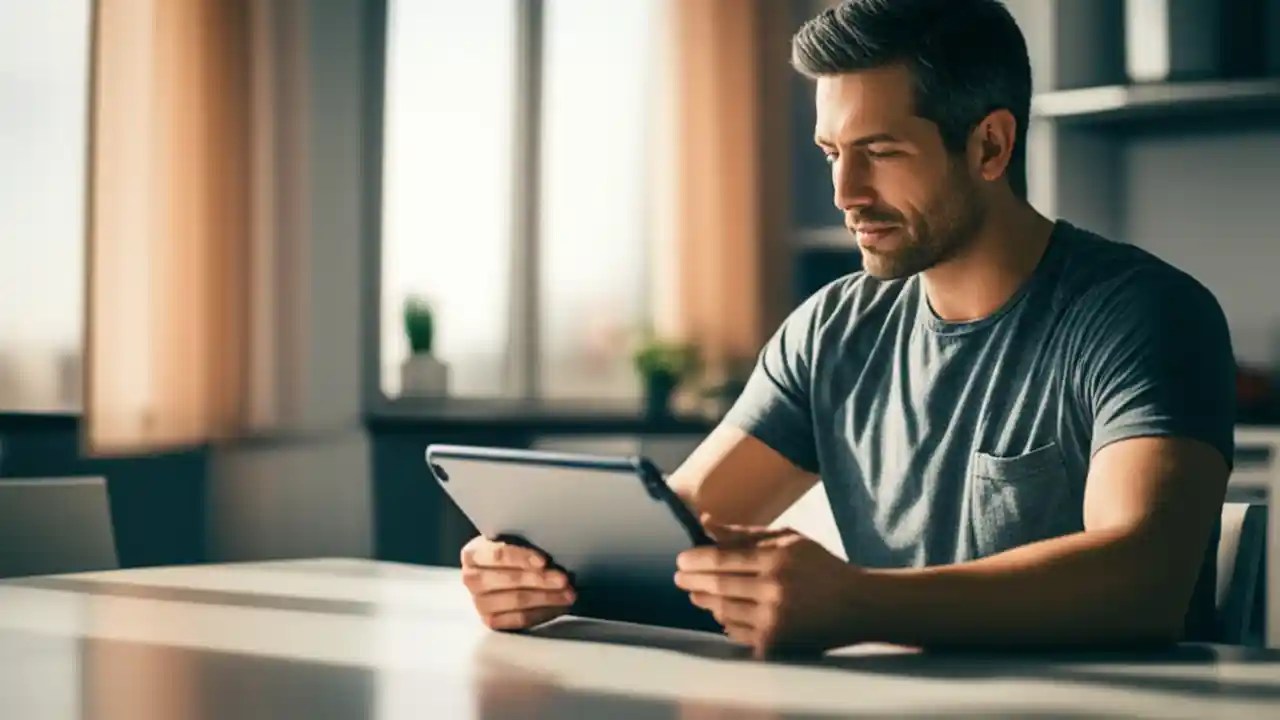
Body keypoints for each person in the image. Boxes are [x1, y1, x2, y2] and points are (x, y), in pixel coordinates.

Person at [458, 0, 1235, 658]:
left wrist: (860, 603)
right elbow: (674, 533)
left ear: (990, 145)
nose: (844, 192)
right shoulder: (832, 330)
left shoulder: (1145, 314)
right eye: (832, 152)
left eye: (880, 152)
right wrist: (540, 573)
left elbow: (1147, 578)